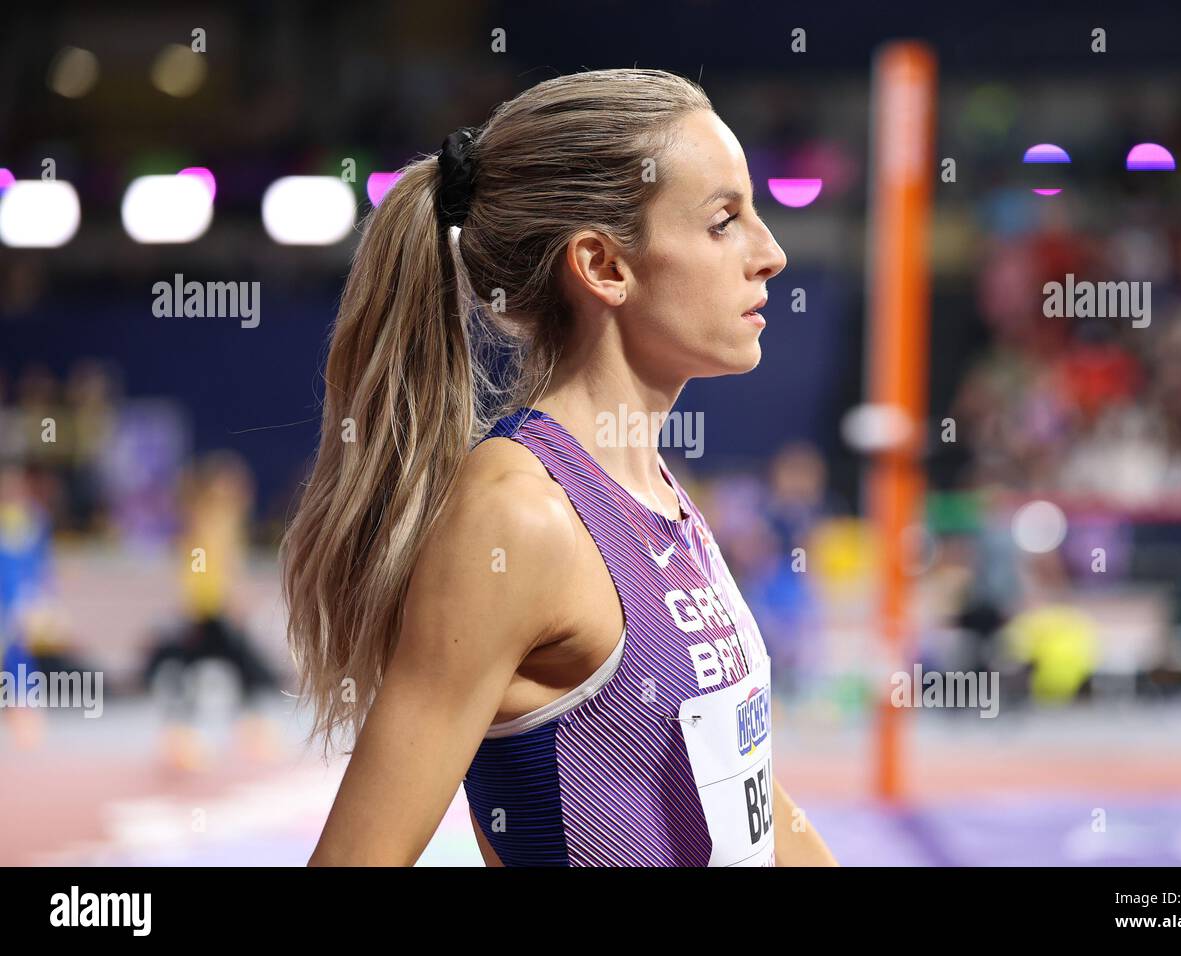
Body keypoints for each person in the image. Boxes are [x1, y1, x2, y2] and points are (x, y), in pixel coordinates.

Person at [283, 68, 837, 866]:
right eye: (725, 221)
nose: (772, 254)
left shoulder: (656, 493)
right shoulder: (518, 516)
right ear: (604, 266)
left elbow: (736, 792)